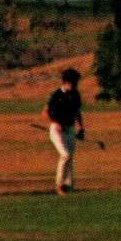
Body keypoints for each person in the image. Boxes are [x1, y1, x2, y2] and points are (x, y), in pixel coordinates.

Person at [42, 67, 84, 195]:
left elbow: (77, 113)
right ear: (67, 82)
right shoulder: (56, 95)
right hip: (57, 130)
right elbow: (45, 112)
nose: (76, 85)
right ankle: (59, 185)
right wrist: (55, 123)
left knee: (70, 158)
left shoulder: (75, 95)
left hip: (70, 128)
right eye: (74, 82)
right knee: (65, 155)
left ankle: (69, 186)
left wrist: (81, 128)